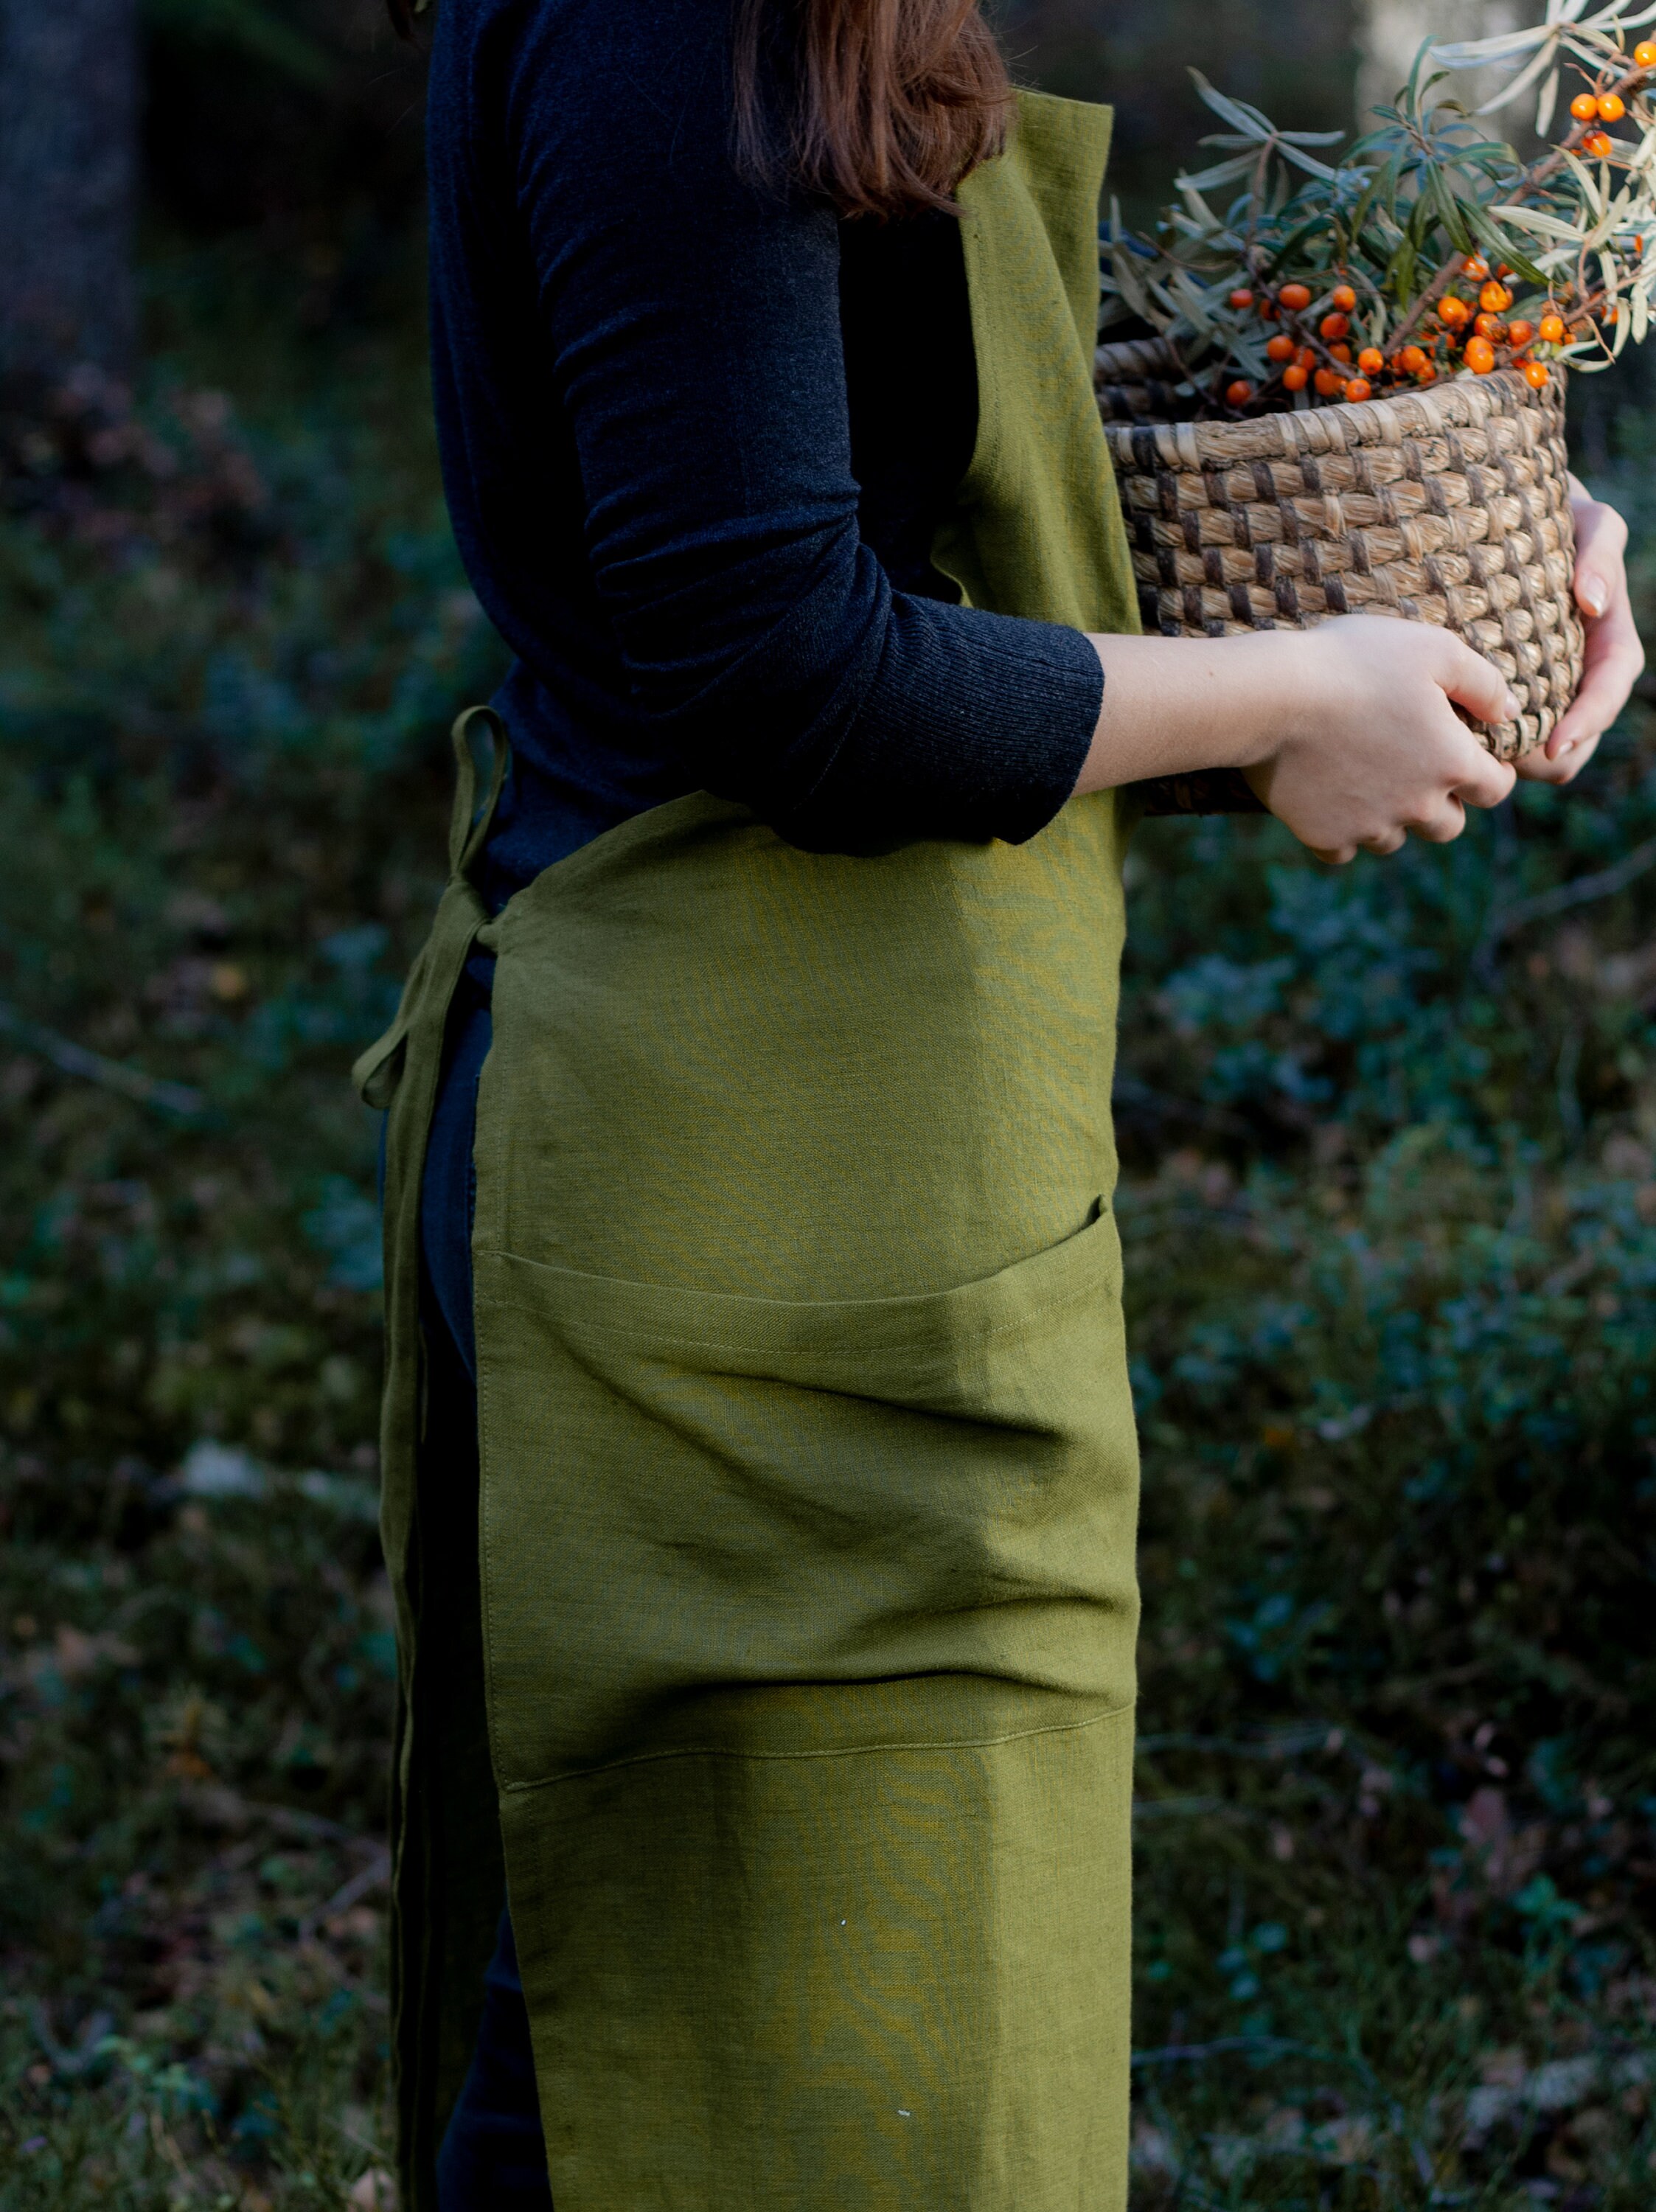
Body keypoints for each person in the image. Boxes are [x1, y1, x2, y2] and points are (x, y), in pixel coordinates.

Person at [360, 1, 1643, 2207]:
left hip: (867, 1177)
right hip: (736, 1222)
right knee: (722, 2080)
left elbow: (904, 534)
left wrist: (1433, 560)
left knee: (672, 2055)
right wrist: (1284, 691)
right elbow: (784, 661)